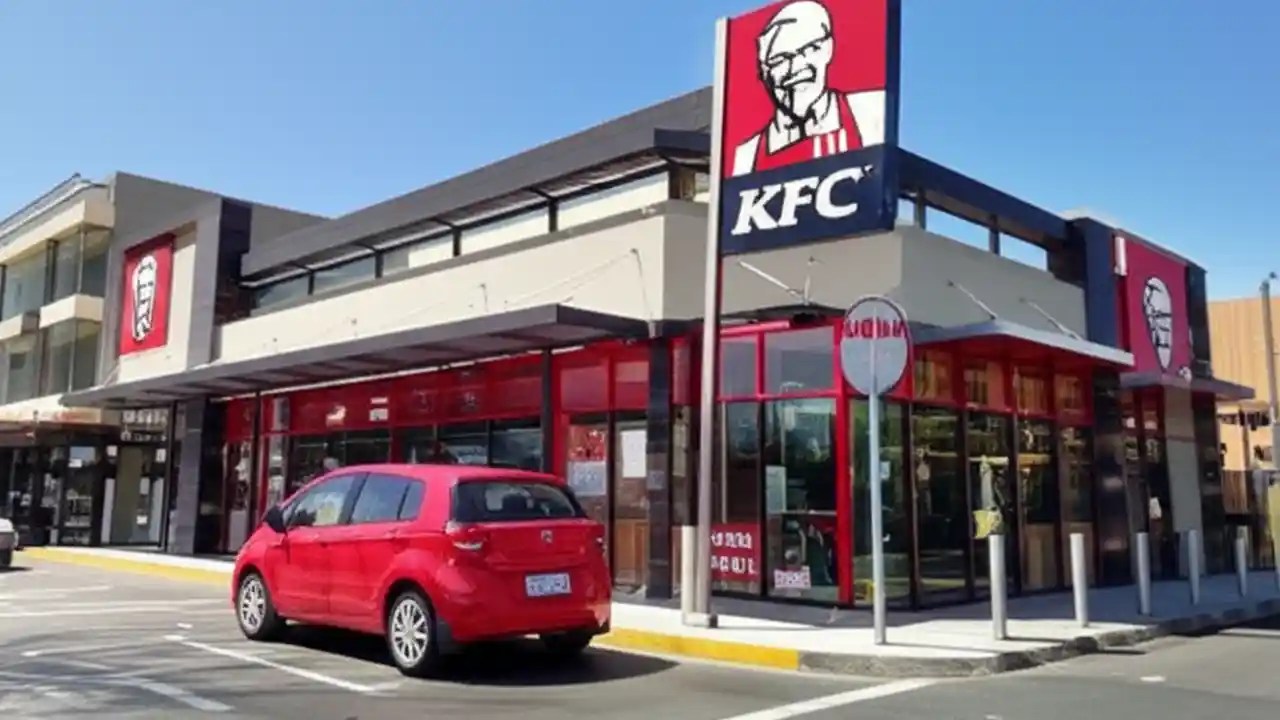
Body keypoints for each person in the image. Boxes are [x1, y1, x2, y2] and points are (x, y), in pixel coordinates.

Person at [730, 0, 885, 177]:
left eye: (810, 49)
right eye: (779, 60)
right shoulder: (746, 156)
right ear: (764, 72)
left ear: (828, 49)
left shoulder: (870, 113)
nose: (795, 68)